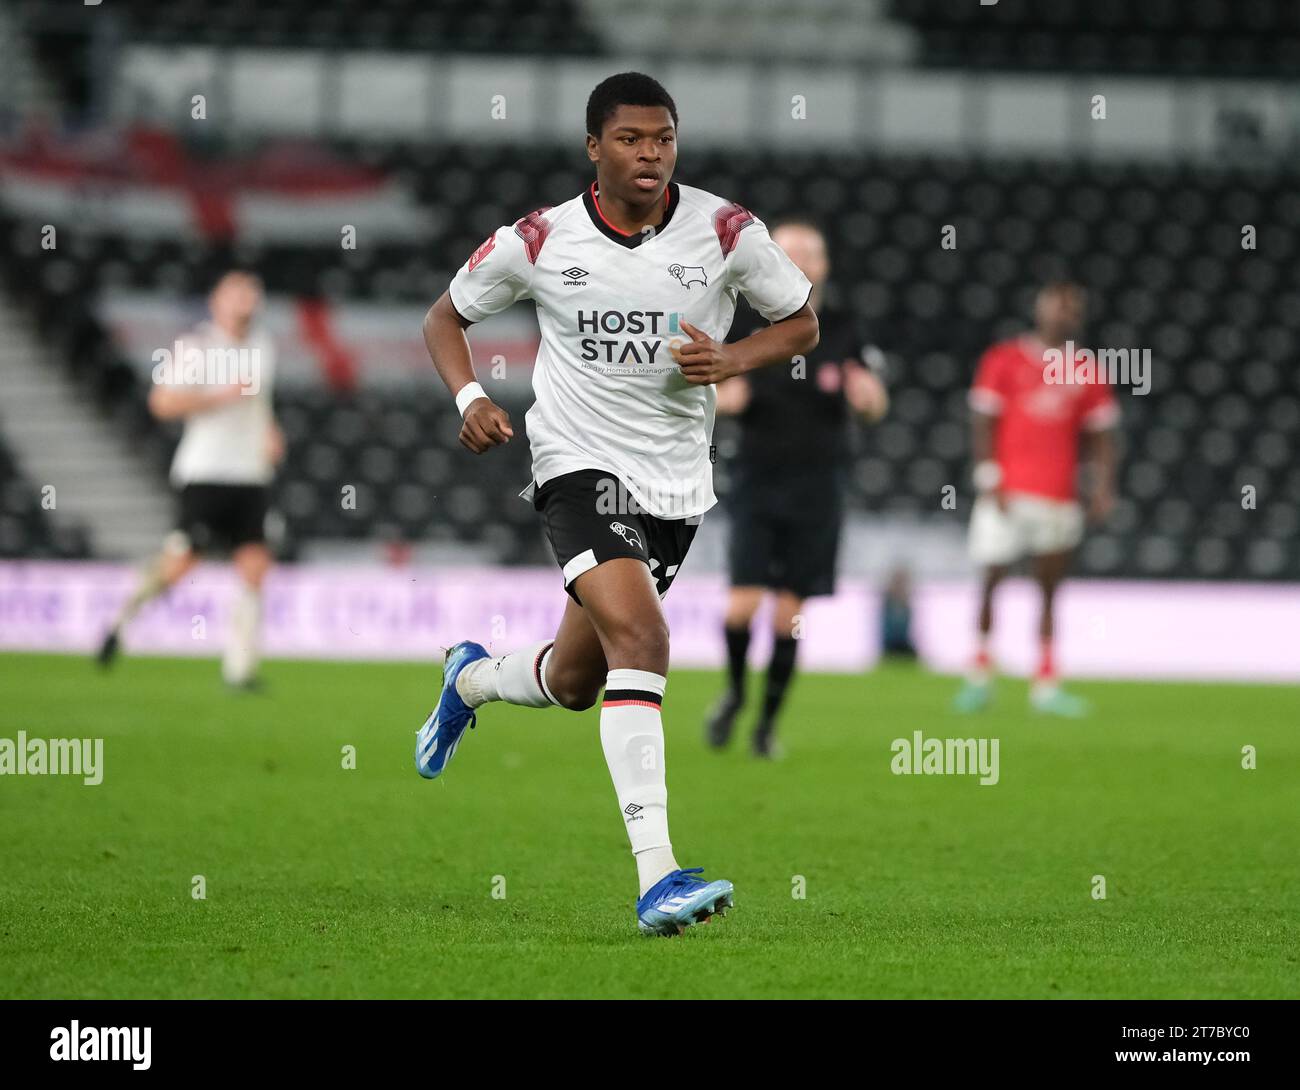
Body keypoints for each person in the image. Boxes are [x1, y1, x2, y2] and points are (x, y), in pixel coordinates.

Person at [414, 72, 818, 936]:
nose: (650, 154)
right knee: (645, 639)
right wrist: (468, 399)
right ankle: (658, 875)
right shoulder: (538, 241)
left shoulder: (724, 230)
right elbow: (444, 319)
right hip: (577, 466)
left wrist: (737, 359)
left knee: (575, 679)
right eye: (631, 139)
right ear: (593, 147)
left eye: (664, 139)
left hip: (676, 484)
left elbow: (803, 323)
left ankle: (471, 679)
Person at [704, 219, 888, 756]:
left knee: (790, 616)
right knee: (741, 607)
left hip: (818, 489)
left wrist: (867, 398)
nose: (803, 259)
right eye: (792, 251)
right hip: (757, 482)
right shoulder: (744, 321)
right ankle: (736, 694)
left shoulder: (846, 326)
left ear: (825, 265)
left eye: (812, 251)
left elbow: (876, 403)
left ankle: (765, 726)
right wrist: (723, 397)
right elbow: (717, 391)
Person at [96, 270, 283, 690]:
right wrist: (219, 397)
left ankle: (240, 669)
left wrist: (270, 431)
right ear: (217, 301)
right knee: (179, 564)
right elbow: (161, 402)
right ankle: (119, 623)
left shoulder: (262, 346)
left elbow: (260, 403)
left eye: (251, 293)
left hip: (250, 474)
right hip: (205, 473)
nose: (246, 300)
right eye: (236, 293)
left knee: (254, 566)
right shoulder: (197, 347)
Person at [954, 281, 1118, 716]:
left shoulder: (1086, 368)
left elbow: (1102, 435)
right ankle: (980, 674)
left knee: (1049, 590)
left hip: (1057, 495)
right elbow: (982, 420)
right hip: (1008, 491)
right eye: (1057, 307)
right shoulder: (1004, 359)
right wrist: (989, 476)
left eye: (1071, 309)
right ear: (1039, 310)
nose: (1064, 315)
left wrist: (1102, 486)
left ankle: (1045, 683)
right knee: (992, 580)